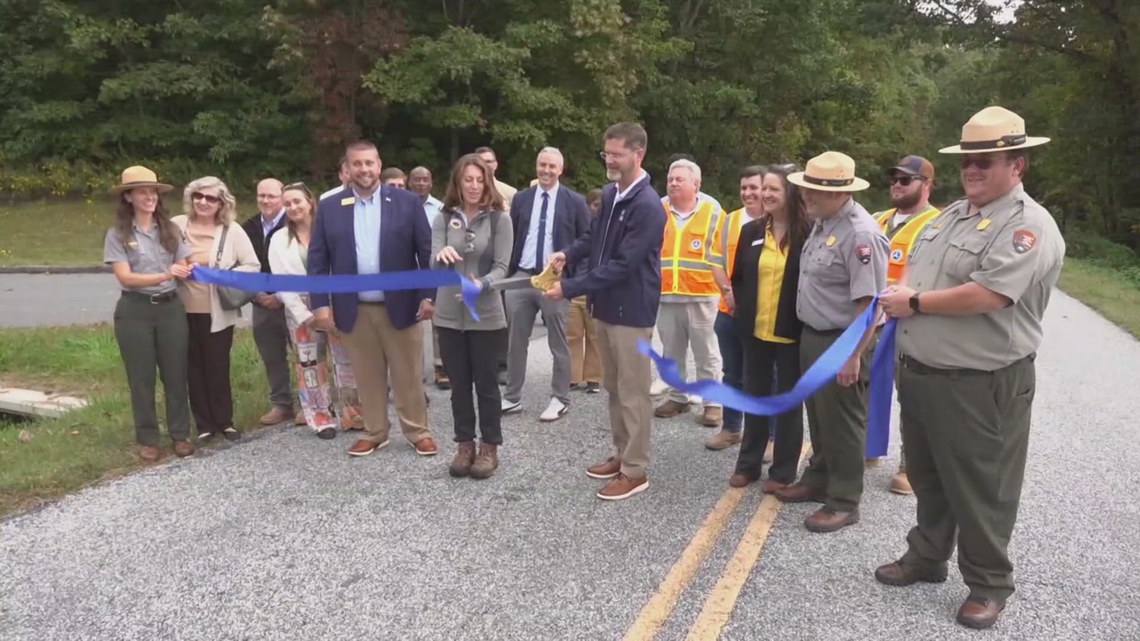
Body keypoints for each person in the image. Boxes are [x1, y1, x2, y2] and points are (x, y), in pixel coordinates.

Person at [877, 106, 1064, 630]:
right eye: (968, 162)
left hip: (981, 383)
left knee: (982, 489)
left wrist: (912, 305)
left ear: (1018, 165)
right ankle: (927, 557)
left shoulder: (1028, 225)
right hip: (923, 373)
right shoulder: (951, 216)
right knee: (929, 476)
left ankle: (988, 584)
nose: (974, 170)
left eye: (987, 161)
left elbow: (988, 295)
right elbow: (915, 275)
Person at [546, 122, 666, 501]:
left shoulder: (648, 206)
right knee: (614, 388)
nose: (609, 161)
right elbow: (593, 239)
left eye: (616, 154)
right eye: (607, 153)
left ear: (638, 154)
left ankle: (635, 469)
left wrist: (569, 287)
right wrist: (569, 254)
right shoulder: (613, 194)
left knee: (634, 393)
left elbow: (624, 264)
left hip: (632, 310)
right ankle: (621, 453)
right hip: (606, 306)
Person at [773, 151, 888, 534]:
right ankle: (818, 478)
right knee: (820, 418)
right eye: (806, 188)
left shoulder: (861, 234)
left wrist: (853, 356)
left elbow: (868, 306)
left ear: (841, 193)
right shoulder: (824, 222)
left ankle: (843, 500)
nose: (806, 196)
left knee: (844, 422)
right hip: (814, 335)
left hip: (842, 340)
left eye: (816, 191)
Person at [307, 140, 439, 458]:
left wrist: (428, 295)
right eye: (357, 164)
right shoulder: (329, 206)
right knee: (366, 375)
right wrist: (320, 304)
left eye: (369, 163)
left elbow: (427, 252)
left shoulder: (407, 202)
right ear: (347, 169)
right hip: (354, 307)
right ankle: (375, 431)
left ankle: (417, 431)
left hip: (403, 304)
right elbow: (317, 259)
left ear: (379, 165)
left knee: (407, 373)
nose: (363, 169)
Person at [727, 165, 810, 491]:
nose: (766, 195)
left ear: (791, 193)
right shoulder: (751, 232)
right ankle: (748, 465)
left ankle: (783, 472)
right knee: (755, 399)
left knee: (787, 406)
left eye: (773, 189)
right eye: (765, 189)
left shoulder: (809, 234)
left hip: (792, 332)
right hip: (754, 331)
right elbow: (740, 278)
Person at [104, 166, 195, 461]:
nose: (150, 196)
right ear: (128, 196)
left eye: (153, 191)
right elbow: (125, 278)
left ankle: (180, 435)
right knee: (141, 379)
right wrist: (166, 273)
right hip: (135, 311)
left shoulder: (170, 229)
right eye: (143, 191)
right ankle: (148, 438)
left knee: (176, 374)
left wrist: (188, 268)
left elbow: (186, 262)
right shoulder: (117, 234)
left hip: (170, 309)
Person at [433, 155, 513, 478]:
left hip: (486, 313)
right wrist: (441, 255)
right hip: (449, 314)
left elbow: (503, 267)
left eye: (480, 180)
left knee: (487, 384)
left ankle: (489, 447)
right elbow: (434, 259)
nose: (474, 186)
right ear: (458, 182)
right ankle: (464, 444)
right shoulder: (443, 217)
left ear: (488, 182)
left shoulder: (499, 219)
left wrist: (483, 283)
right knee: (459, 385)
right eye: (468, 179)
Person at [867, 155, 942, 495]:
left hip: (911, 320)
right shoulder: (877, 219)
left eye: (906, 180)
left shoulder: (938, 225)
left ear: (926, 185)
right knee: (864, 386)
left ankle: (910, 466)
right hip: (870, 320)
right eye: (894, 178)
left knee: (911, 396)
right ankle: (868, 447)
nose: (897, 184)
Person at [268, 183, 365, 439]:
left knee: (346, 361)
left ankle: (353, 413)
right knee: (310, 364)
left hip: (335, 303)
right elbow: (281, 282)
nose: (293, 207)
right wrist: (305, 316)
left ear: (310, 202)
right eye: (287, 204)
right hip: (300, 309)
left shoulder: (329, 231)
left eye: (297, 201)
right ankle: (320, 416)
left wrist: (336, 306)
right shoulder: (278, 239)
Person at [501, 147, 591, 422]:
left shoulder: (574, 201)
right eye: (543, 165)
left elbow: (586, 240)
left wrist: (575, 281)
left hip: (555, 279)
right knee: (515, 340)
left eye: (552, 166)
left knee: (558, 341)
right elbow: (513, 235)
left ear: (561, 170)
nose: (547, 171)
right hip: (522, 276)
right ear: (536, 166)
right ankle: (512, 396)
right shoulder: (521, 199)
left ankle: (560, 398)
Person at [172, 177, 261, 442]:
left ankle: (225, 421)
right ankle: (204, 425)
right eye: (198, 196)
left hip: (217, 311)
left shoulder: (231, 230)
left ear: (221, 203)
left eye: (210, 198)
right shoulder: (176, 225)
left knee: (217, 366)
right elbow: (161, 257)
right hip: (180, 310)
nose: (203, 202)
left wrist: (223, 275)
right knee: (193, 367)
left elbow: (252, 265)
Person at [653, 159, 726, 428]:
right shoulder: (657, 209)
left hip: (702, 294)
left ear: (695, 184)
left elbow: (724, 253)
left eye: (679, 179)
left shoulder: (714, 212)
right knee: (671, 352)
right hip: (666, 293)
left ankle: (712, 403)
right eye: (670, 179)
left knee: (707, 353)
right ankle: (678, 397)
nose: (672, 183)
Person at [241, 178, 297, 427]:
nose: (265, 201)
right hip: (261, 302)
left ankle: (313, 404)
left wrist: (281, 296)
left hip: (294, 302)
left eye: (271, 196)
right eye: (261, 196)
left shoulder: (296, 223)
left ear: (282, 196)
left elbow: (301, 265)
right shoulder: (248, 227)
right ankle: (281, 404)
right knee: (272, 356)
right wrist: (256, 294)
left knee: (305, 355)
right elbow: (241, 266)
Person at [408, 165, 448, 389]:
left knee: (437, 318)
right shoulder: (402, 206)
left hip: (435, 269)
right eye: (417, 179)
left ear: (431, 183)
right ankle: (415, 370)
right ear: (409, 182)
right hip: (409, 270)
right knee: (411, 320)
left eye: (425, 179)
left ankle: (441, 366)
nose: (421, 183)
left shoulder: (440, 209)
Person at [566, 189, 604, 394]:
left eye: (601, 206)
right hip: (574, 286)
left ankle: (594, 377)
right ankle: (572, 376)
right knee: (572, 334)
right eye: (595, 205)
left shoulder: (607, 231)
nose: (597, 210)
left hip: (594, 288)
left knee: (594, 335)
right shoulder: (579, 229)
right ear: (587, 206)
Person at [475, 146, 517, 210]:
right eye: (481, 162)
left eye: (488, 161)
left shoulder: (511, 193)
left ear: (495, 164)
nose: (484, 165)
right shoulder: (467, 192)